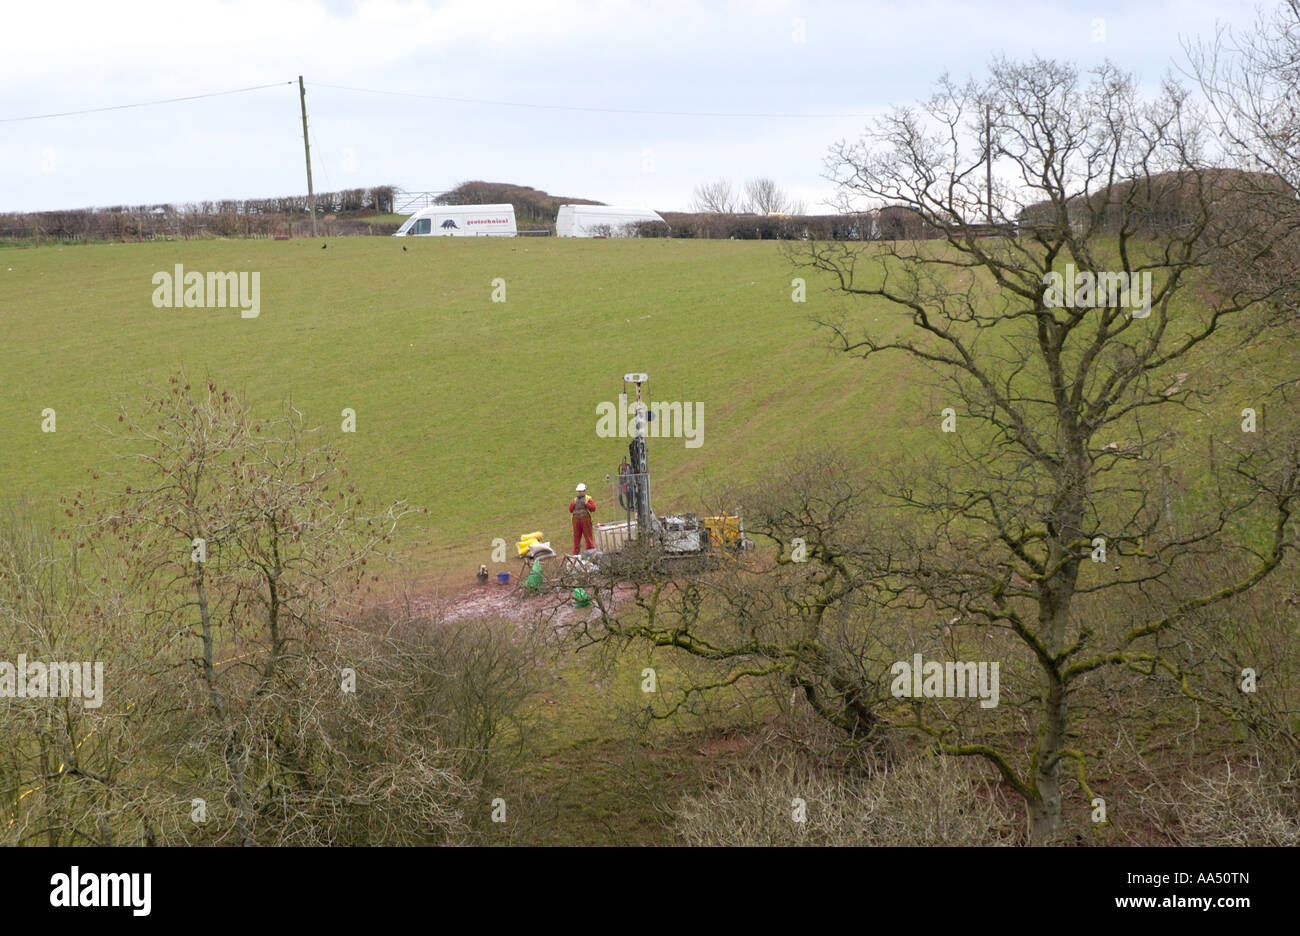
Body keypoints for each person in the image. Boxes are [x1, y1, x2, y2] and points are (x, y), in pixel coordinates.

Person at [570, 482, 596, 555]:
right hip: (576, 521)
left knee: (588, 538)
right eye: (579, 491)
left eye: (581, 491)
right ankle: (575, 555)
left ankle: (591, 554)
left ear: (585, 491)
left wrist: (586, 504)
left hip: (586, 520)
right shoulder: (574, 500)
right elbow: (570, 510)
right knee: (576, 539)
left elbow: (593, 508)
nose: (580, 493)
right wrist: (573, 504)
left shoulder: (588, 498)